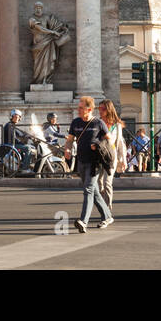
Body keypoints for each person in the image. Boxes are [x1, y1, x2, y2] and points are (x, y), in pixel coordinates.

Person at [65, 95, 112, 231]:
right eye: (78, 108)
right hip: (81, 161)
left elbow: (109, 141)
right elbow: (69, 139)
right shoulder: (75, 123)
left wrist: (98, 144)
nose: (78, 110)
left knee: (88, 190)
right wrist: (67, 149)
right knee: (94, 191)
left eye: (81, 108)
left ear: (89, 109)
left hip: (95, 162)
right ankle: (107, 215)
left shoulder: (98, 123)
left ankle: (83, 221)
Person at [98, 99, 126, 212]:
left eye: (103, 109)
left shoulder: (116, 125)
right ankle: (103, 203)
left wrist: (123, 159)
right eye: (99, 109)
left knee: (107, 182)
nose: (100, 111)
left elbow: (120, 143)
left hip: (111, 156)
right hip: (99, 156)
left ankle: (107, 209)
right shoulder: (98, 122)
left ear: (109, 110)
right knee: (99, 184)